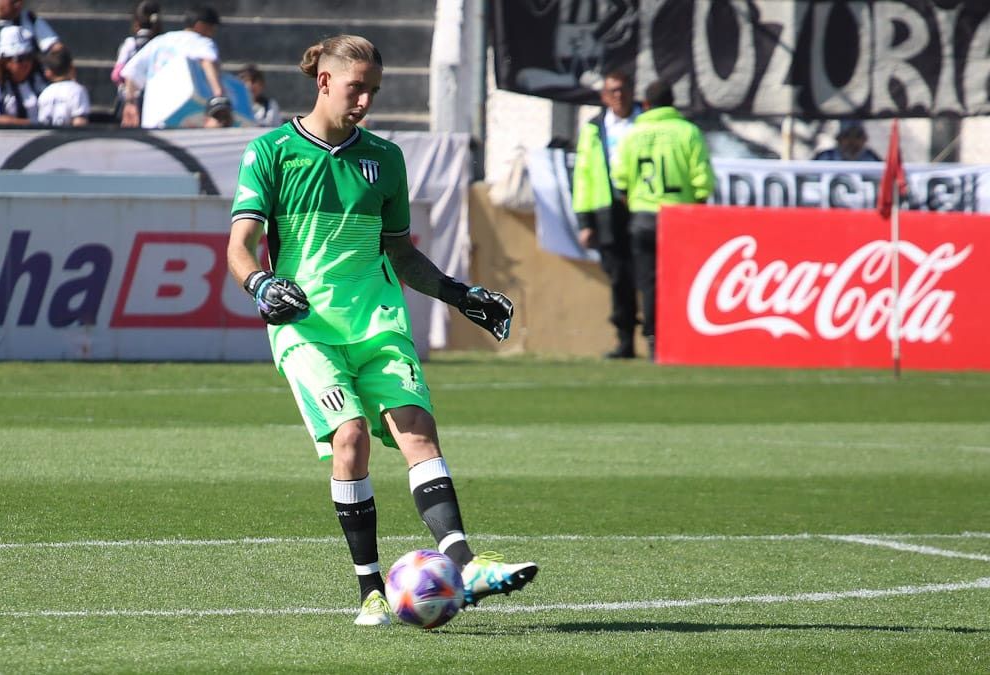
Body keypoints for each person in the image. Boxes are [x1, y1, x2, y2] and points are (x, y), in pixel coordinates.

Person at [226, 34, 538, 627]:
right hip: (306, 328)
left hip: (378, 322)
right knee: (350, 438)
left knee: (419, 431)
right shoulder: (270, 152)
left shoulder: (385, 158)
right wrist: (262, 286)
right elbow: (239, 248)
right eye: (355, 88)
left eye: (372, 90)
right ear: (323, 81)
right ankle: (371, 588)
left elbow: (402, 254)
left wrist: (457, 293)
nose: (365, 100)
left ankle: (466, 565)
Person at [611, 80, 715, 361]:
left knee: (649, 284)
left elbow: (620, 180)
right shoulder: (688, 132)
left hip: (643, 217)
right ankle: (681, 339)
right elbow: (702, 182)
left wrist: (636, 204)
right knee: (682, 282)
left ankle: (655, 341)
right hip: (680, 217)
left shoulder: (633, 134)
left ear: (646, 105)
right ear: (673, 103)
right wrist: (696, 210)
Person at [572, 70, 641, 359]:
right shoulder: (593, 128)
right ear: (603, 97)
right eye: (612, 91)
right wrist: (585, 221)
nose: (618, 95)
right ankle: (625, 340)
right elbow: (584, 176)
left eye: (623, 89)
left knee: (649, 276)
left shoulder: (646, 123)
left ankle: (657, 338)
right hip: (607, 210)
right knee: (618, 277)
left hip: (642, 206)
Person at [119, 5, 227, 128]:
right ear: (200, 25)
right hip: (187, 118)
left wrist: (130, 103)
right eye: (212, 28)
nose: (213, 33)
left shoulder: (160, 41)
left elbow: (132, 72)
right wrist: (219, 95)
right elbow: (208, 62)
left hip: (153, 118)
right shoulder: (203, 42)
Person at [0, 25, 45, 125]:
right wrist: (32, 124)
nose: (26, 63)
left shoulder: (36, 81)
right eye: (19, 59)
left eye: (28, 57)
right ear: (6, 62)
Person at [111, 0, 161, 119]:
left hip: (129, 98)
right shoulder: (160, 44)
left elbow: (117, 74)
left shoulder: (129, 44)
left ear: (136, 23)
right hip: (152, 99)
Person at [37, 46, 88, 126]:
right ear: (71, 68)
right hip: (68, 137)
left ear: (49, 73)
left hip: (45, 136)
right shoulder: (77, 90)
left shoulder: (44, 93)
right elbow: (79, 122)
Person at [814, 120, 881, 162]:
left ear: (865, 139)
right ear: (838, 139)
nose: (852, 142)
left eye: (858, 136)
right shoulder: (824, 158)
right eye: (847, 136)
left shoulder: (872, 159)